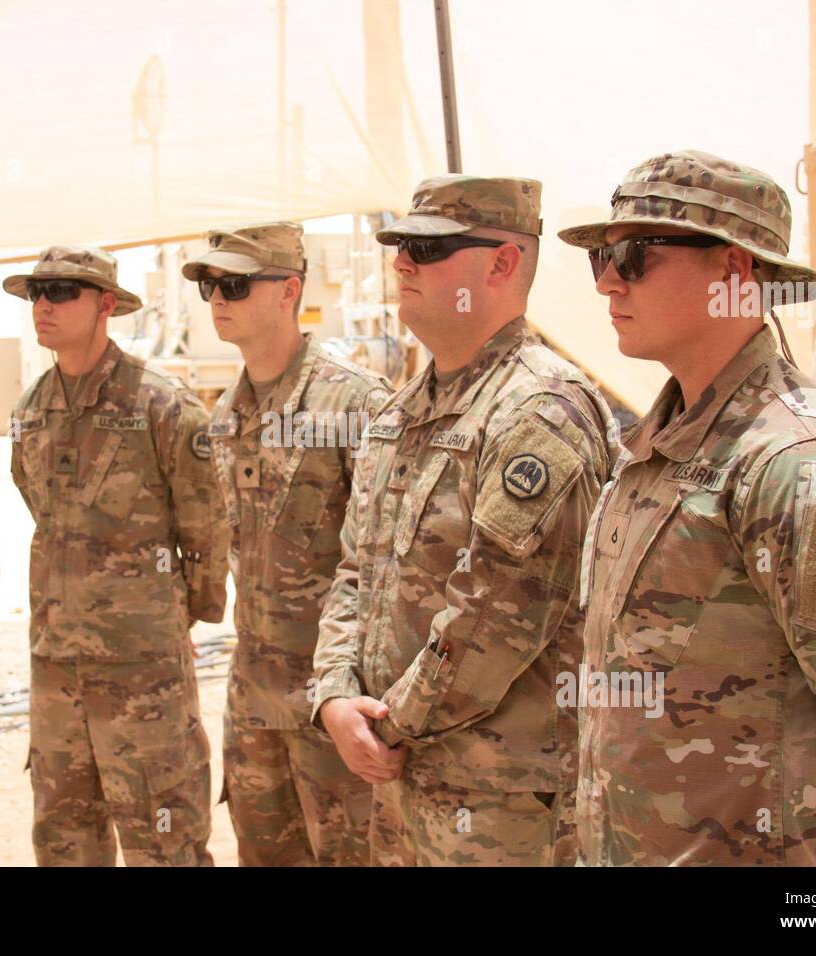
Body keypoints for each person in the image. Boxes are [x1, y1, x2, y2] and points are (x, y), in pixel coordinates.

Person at [559, 149, 816, 865]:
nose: (608, 281)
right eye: (602, 259)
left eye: (636, 255)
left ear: (735, 274)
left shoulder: (805, 465)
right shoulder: (656, 449)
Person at [312, 176, 617, 866]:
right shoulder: (398, 414)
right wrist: (334, 693)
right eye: (399, 246)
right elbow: (355, 571)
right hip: (401, 783)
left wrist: (391, 723)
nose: (402, 263)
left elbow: (494, 622)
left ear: (503, 263)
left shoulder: (540, 411)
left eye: (428, 247)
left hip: (504, 803)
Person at [7, 245, 228, 866]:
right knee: (63, 834)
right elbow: (41, 513)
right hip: (57, 668)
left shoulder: (161, 405)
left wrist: (170, 619)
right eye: (36, 294)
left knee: (164, 836)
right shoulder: (29, 412)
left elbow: (207, 527)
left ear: (105, 304)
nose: (43, 306)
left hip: (143, 669)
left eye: (61, 293)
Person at [183, 221, 389, 865]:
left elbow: (387, 562)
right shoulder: (228, 415)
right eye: (210, 285)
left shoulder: (356, 403)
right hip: (254, 690)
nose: (218, 298)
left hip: (335, 691)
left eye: (236, 284)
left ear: (287, 290)